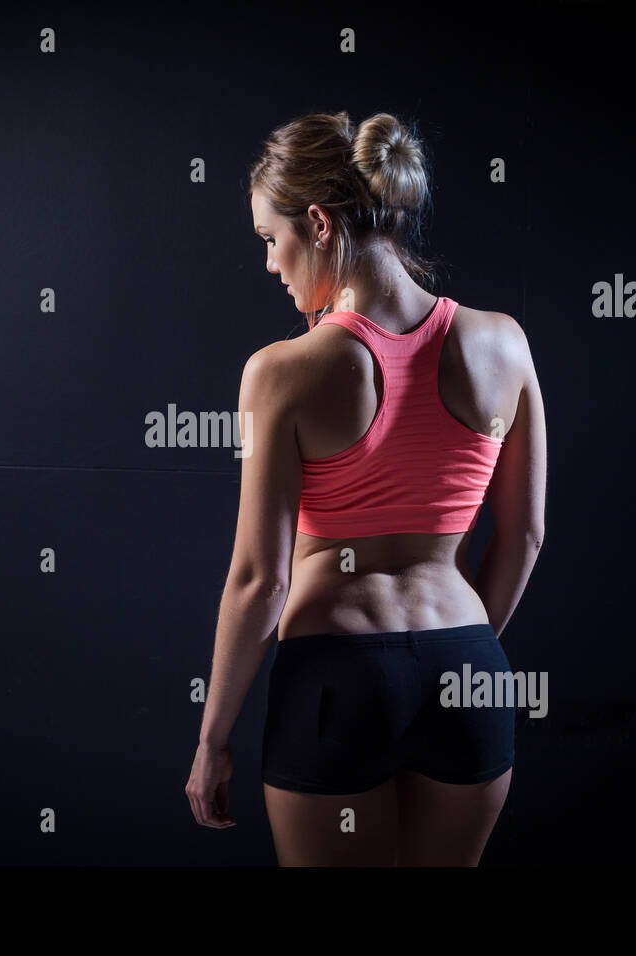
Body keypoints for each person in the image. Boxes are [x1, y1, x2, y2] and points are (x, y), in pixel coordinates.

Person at [184, 111, 547, 866]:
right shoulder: (505, 344)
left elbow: (260, 578)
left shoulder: (278, 374)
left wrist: (212, 740)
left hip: (338, 681)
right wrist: (457, 660)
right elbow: (524, 536)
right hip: (469, 670)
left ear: (316, 223)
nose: (271, 264)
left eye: (270, 239)